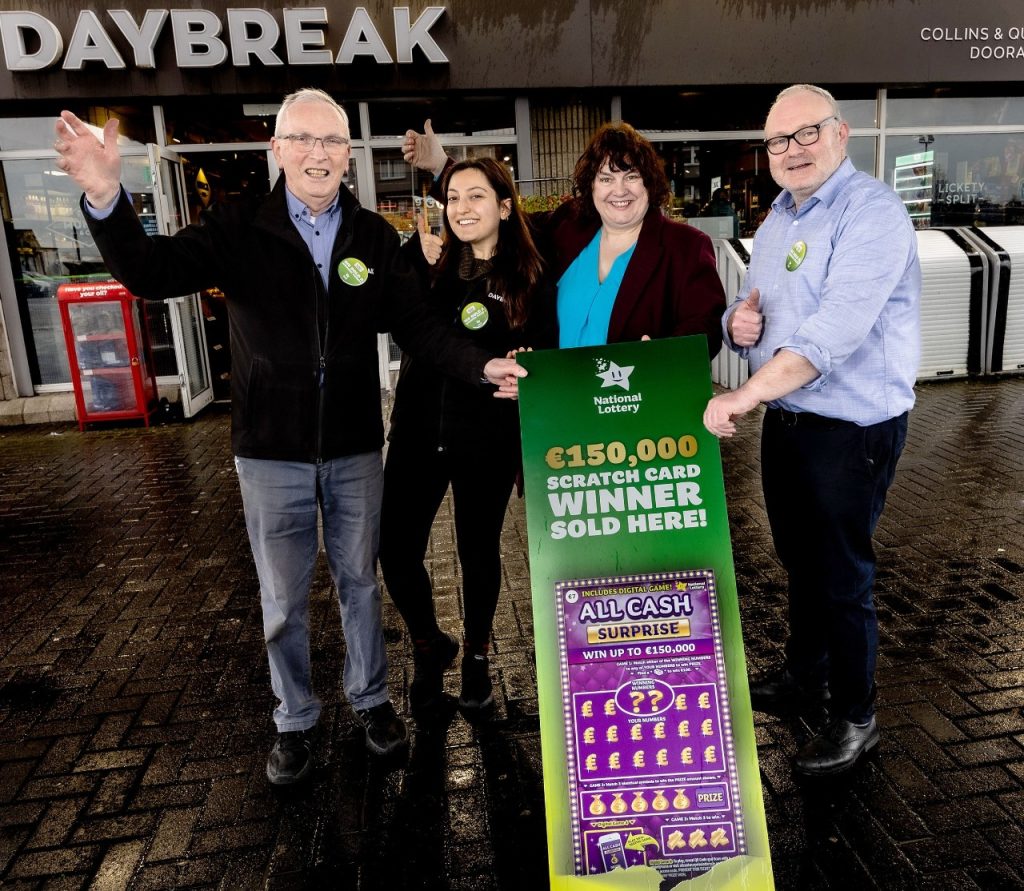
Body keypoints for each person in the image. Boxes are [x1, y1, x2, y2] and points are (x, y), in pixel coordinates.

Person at [53, 89, 525, 785]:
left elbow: (420, 329)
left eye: (332, 142)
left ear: (347, 156)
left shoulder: (371, 238)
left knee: (360, 582)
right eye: (303, 139)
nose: (318, 153)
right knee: (282, 599)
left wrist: (481, 364)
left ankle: (371, 700)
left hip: (355, 448)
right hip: (270, 450)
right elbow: (152, 272)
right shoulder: (240, 225)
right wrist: (105, 197)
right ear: (276, 149)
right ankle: (295, 718)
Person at [703, 84, 920, 776]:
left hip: (851, 428)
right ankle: (805, 677)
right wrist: (741, 325)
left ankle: (857, 717)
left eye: (807, 134)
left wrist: (741, 395)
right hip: (791, 420)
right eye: (777, 141)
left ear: (842, 133)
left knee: (842, 575)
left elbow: (832, 335)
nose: (792, 150)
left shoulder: (873, 215)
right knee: (798, 556)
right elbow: (765, 311)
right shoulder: (778, 220)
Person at [378, 158, 556, 718]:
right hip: (417, 433)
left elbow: (546, 348)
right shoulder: (427, 263)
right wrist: (411, 252)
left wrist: (534, 365)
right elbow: (402, 325)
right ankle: (430, 644)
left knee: (479, 550)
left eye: (476, 197)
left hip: (488, 438)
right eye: (453, 198)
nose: (462, 209)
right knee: (395, 550)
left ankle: (477, 655)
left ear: (505, 207)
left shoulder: (530, 275)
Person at [402, 121, 726, 352]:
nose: (619, 191)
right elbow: (503, 216)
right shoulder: (569, 227)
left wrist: (666, 352)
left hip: (637, 411)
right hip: (566, 412)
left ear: (649, 183)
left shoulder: (684, 246)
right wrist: (442, 168)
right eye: (606, 178)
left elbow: (707, 324)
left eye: (632, 176)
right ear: (591, 185)